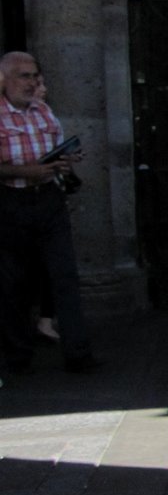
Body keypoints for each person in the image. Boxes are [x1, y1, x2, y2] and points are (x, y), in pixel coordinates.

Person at [0, 50, 98, 376]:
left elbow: (54, 148)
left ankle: (78, 352)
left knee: (65, 275)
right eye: (22, 76)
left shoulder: (42, 112)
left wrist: (64, 161)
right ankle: (17, 354)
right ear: (4, 80)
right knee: (13, 282)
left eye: (34, 76)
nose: (30, 83)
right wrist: (29, 171)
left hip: (48, 201)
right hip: (11, 202)